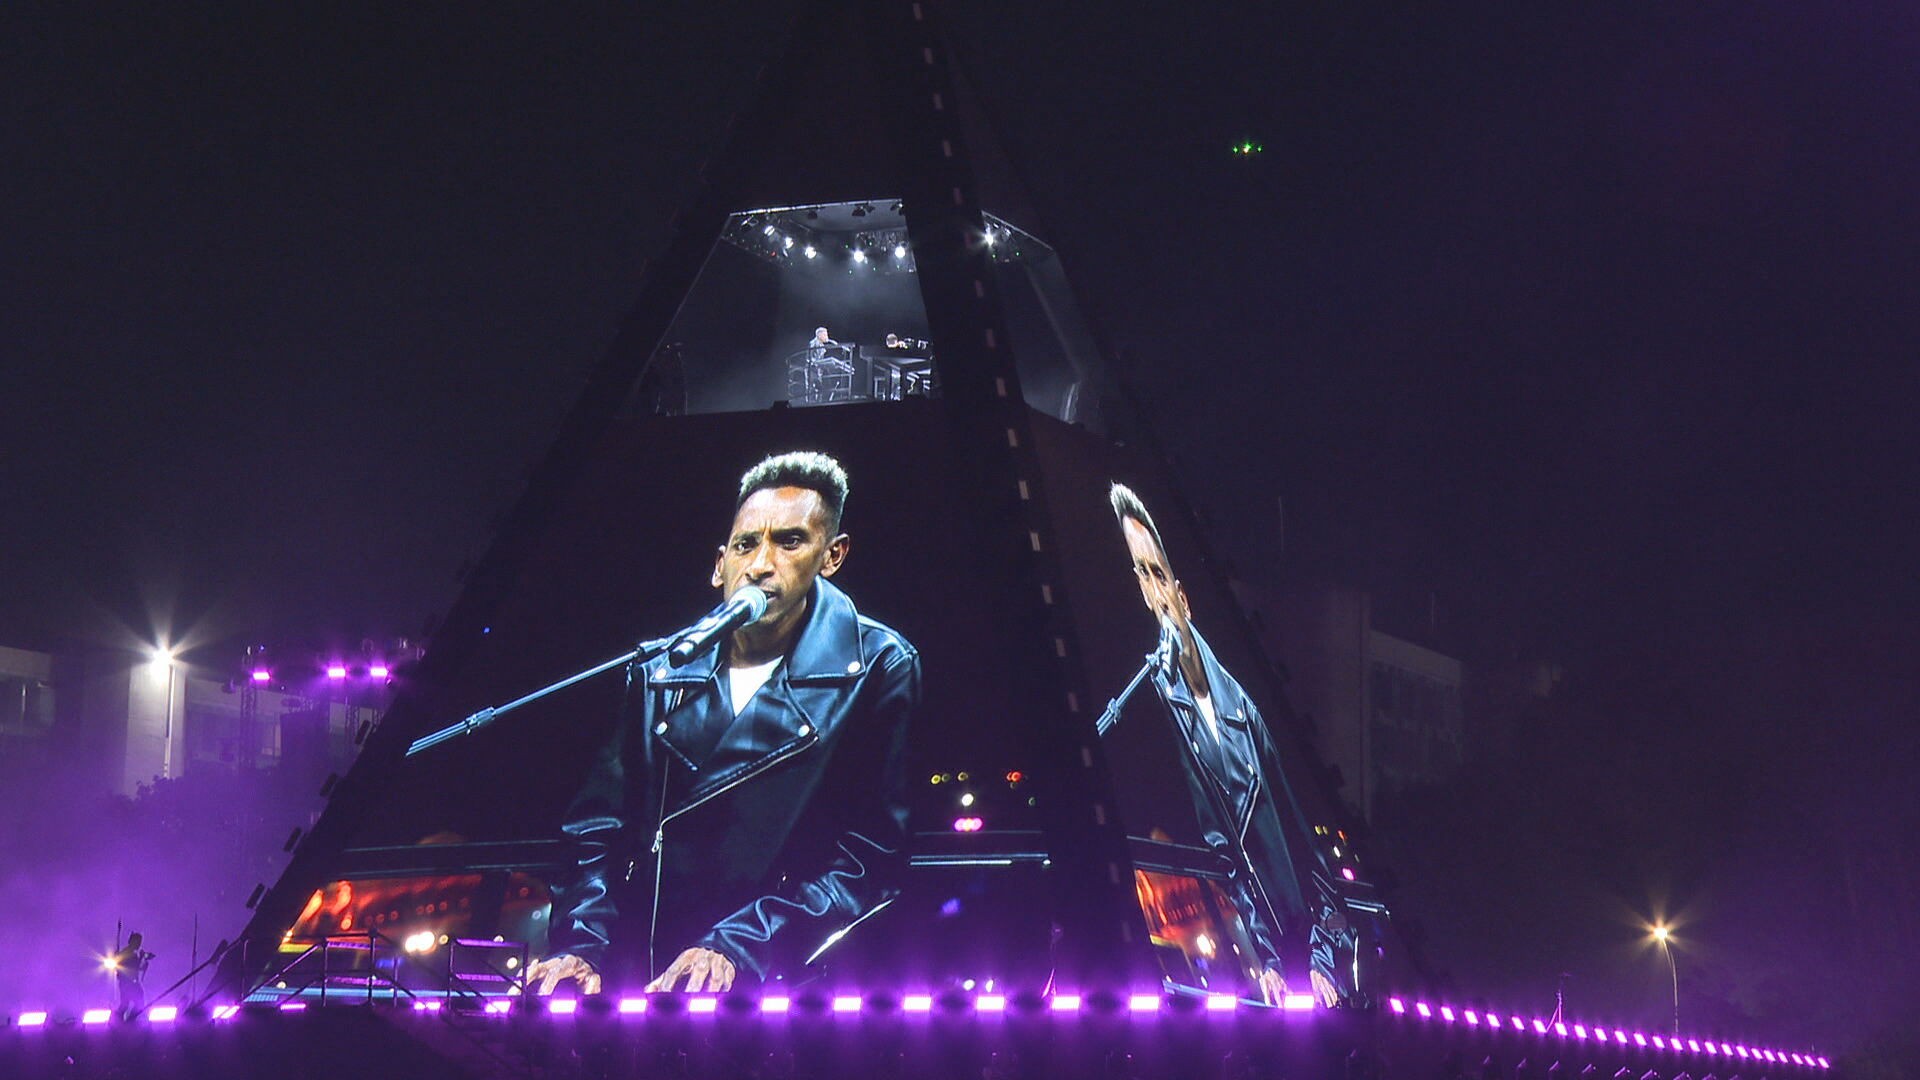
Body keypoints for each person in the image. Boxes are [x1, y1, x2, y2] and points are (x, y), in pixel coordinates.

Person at [530, 451, 919, 995]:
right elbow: (596, 830)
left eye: (789, 542)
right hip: (644, 981)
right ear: (719, 565)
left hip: (784, 981)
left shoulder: (878, 664)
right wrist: (580, 944)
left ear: (832, 555)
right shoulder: (661, 667)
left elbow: (869, 855)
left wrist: (741, 945)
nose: (760, 564)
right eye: (745, 544)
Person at [1105, 483, 1341, 1007]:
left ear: (1182, 595)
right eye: (1140, 575)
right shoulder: (1160, 705)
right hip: (1236, 964)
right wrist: (1259, 962)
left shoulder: (1245, 713)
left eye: (1158, 573)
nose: (1152, 590)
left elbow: (1306, 852)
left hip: (1301, 956)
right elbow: (1209, 851)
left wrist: (1316, 961)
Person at [110, 932, 153, 1020]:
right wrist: (141, 958)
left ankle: (126, 1018)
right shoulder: (127, 953)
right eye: (137, 942)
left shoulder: (132, 953)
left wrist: (143, 960)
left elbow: (136, 968)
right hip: (127, 982)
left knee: (131, 1002)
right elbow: (131, 967)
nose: (139, 944)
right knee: (132, 1002)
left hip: (130, 982)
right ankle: (123, 1019)